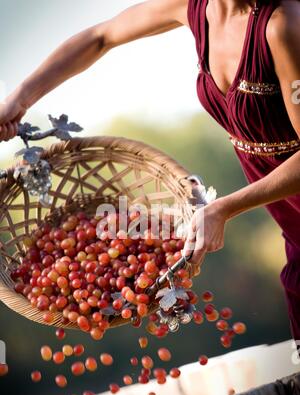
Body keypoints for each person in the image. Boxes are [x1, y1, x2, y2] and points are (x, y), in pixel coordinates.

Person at [0, 0, 300, 339]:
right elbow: (100, 36)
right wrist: (19, 101)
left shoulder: (282, 26)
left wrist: (224, 208)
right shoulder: (197, 8)